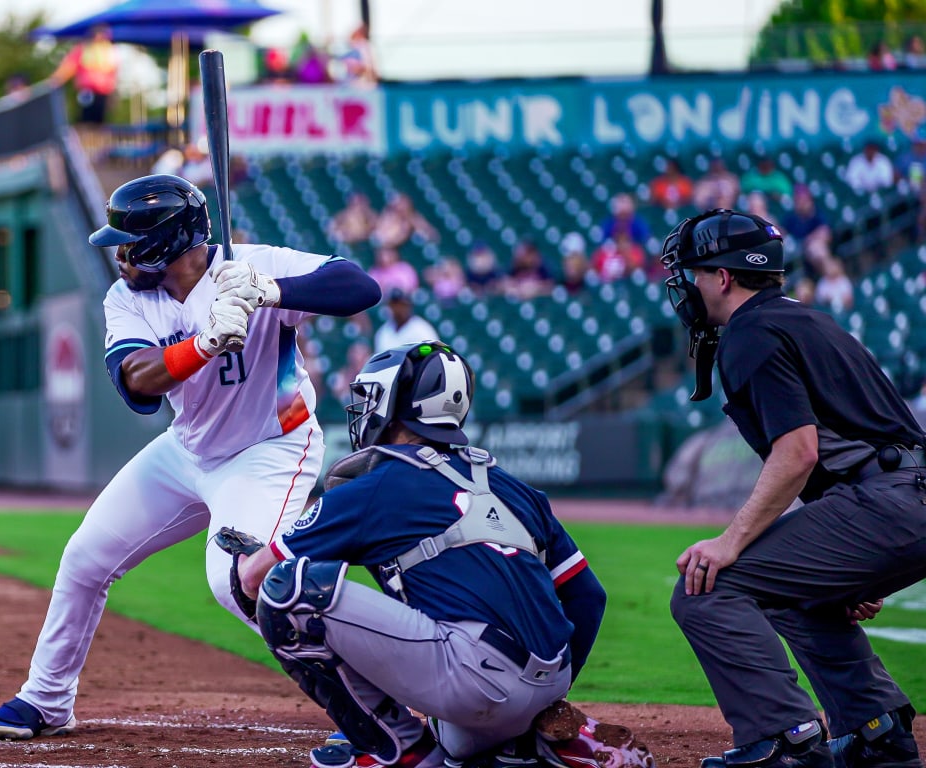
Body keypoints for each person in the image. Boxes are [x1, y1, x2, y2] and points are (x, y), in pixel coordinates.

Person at [0, 174, 381, 740]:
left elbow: (360, 286)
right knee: (85, 558)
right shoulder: (127, 297)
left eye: (130, 240)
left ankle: (376, 706)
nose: (119, 253)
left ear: (165, 242)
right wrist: (207, 341)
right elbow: (136, 386)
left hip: (269, 448)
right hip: (188, 447)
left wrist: (271, 292)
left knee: (240, 582)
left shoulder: (254, 262)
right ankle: (46, 700)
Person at [227, 341, 609, 768]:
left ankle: (405, 751)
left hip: (473, 684)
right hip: (540, 688)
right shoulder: (517, 488)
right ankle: (533, 744)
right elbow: (589, 597)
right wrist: (547, 699)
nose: (363, 410)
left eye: (370, 398)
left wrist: (246, 558)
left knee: (288, 592)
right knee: (461, 742)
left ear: (395, 404)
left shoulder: (378, 484)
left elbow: (256, 580)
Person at [658, 208, 926, 768]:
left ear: (724, 277)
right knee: (800, 593)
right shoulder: (811, 320)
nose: (689, 286)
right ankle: (875, 732)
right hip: (902, 496)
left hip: (887, 501)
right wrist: (851, 567)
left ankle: (782, 742)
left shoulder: (750, 331)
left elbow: (799, 451)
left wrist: (730, 540)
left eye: (697, 273)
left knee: (707, 586)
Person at [53, 24, 118, 125]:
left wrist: (113, 94)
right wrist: (55, 81)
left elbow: (113, 75)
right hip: (87, 92)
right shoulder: (83, 49)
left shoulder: (110, 52)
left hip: (103, 94)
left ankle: (95, 139)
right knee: (86, 119)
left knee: (99, 122)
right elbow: (68, 67)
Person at [373, 289, 437, 352]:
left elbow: (432, 357)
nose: (398, 309)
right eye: (394, 305)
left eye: (402, 305)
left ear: (409, 305)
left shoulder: (422, 329)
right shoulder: (383, 331)